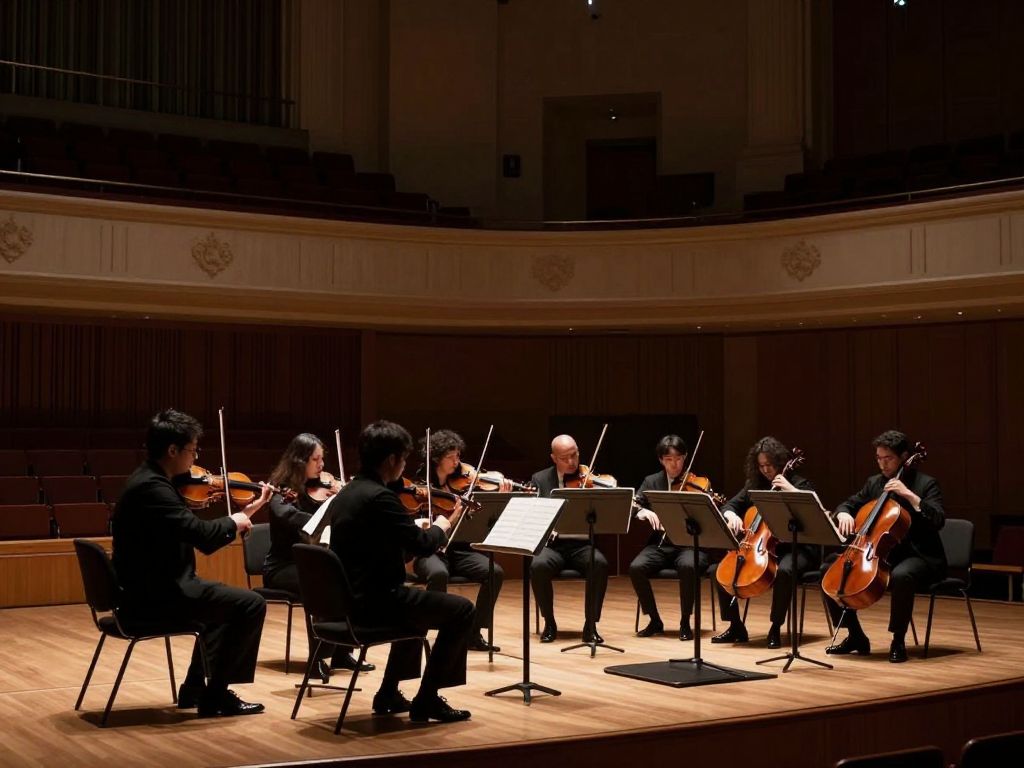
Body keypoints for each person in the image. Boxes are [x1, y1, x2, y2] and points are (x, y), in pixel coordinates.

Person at [111, 409, 272, 717]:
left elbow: (187, 527)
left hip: (148, 588)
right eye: (192, 450)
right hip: (155, 597)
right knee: (250, 604)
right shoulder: (154, 489)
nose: (195, 458)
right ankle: (215, 696)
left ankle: (195, 690)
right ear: (172, 450)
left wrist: (242, 515)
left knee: (221, 607)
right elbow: (202, 536)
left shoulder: (151, 480)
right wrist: (235, 520)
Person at [328, 420, 474, 722]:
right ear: (392, 460)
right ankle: (428, 697)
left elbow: (384, 545)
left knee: (418, 609)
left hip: (348, 602)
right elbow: (422, 545)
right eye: (403, 458)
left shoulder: (349, 493)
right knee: (462, 611)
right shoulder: (381, 499)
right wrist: (444, 523)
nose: (405, 465)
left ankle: (389, 693)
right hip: (375, 604)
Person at [824, 430, 946, 663]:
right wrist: (843, 514)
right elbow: (848, 503)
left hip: (919, 556)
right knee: (828, 570)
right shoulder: (875, 483)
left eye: (887, 458)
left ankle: (898, 640)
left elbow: (938, 519)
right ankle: (856, 636)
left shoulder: (925, 484)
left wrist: (910, 496)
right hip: (881, 554)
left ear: (904, 456)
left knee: (902, 575)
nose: (882, 464)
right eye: (878, 458)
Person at [262, 433, 375, 683]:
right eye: (316, 459)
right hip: (283, 567)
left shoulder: (323, 489)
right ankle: (318, 657)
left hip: (316, 564)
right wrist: (324, 520)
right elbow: (290, 519)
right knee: (323, 585)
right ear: (299, 460)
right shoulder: (281, 490)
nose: (322, 465)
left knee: (350, 579)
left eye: (322, 459)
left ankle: (342, 652)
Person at [711, 436, 815, 647]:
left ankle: (775, 627)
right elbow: (729, 505)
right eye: (761, 466)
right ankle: (735, 626)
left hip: (797, 548)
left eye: (770, 465)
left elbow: (813, 512)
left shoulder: (799, 483)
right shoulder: (755, 484)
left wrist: (789, 489)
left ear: (780, 462)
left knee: (785, 571)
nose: (766, 470)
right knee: (721, 570)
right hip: (762, 547)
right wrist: (731, 514)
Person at [412, 429, 506, 653]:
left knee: (495, 571)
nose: (457, 462)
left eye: (458, 456)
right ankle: (440, 633)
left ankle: (473, 633)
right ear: (436, 458)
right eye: (451, 457)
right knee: (438, 574)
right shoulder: (420, 486)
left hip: (460, 549)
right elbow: (418, 529)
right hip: (431, 551)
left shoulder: (463, 483)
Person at [529, 434, 609, 644]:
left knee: (599, 563)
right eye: (565, 458)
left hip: (582, 545)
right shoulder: (540, 479)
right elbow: (532, 514)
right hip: (553, 546)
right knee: (538, 565)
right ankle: (550, 623)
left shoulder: (590, 477)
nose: (572, 462)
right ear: (554, 458)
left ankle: (590, 626)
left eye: (574, 455)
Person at [629, 435, 708, 641]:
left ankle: (685, 622)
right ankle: (655, 620)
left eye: (679, 458)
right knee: (636, 568)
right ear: (661, 460)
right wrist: (641, 511)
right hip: (661, 544)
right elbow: (634, 503)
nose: (675, 464)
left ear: (686, 457)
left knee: (688, 567)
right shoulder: (652, 481)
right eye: (669, 460)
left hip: (690, 545)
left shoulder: (697, 483)